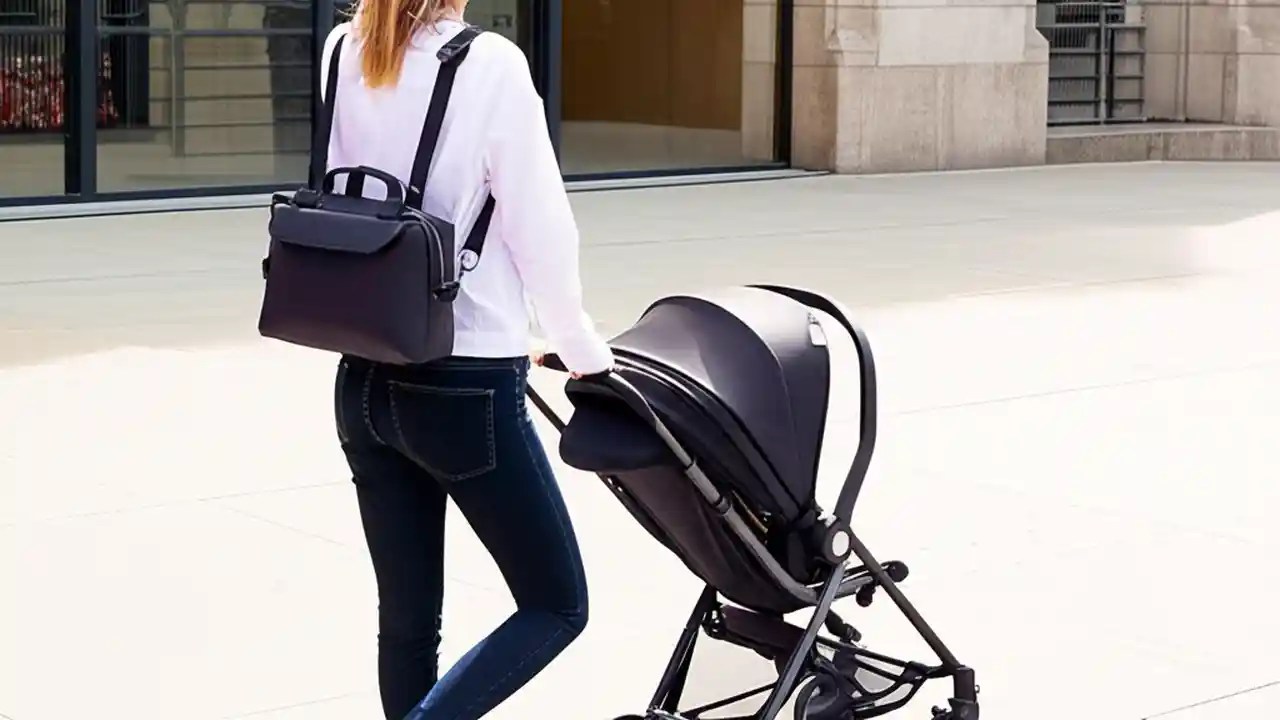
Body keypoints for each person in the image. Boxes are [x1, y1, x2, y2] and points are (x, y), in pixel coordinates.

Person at [321, 1, 614, 718]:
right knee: (555, 603)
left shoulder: (342, 49)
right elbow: (539, 226)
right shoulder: (490, 64)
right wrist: (581, 349)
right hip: (464, 377)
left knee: (408, 621)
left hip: (362, 372)